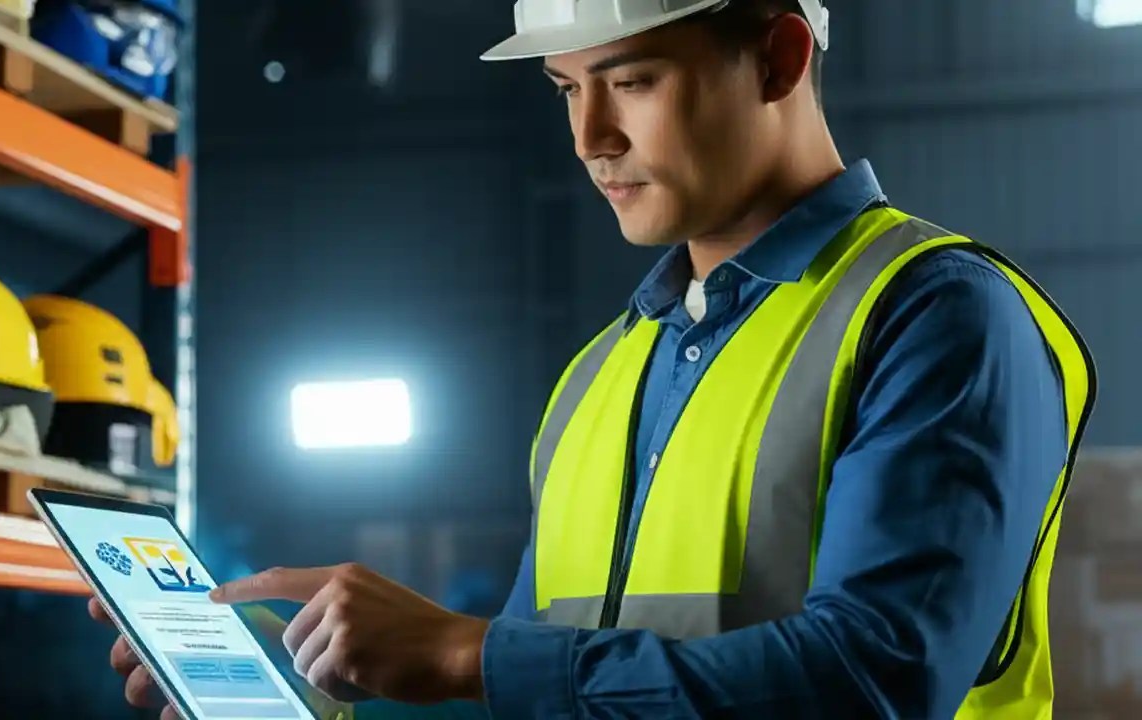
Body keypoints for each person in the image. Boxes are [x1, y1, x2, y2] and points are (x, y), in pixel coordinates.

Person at [92, 0, 1096, 717]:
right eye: (566, 87)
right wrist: (318, 686)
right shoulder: (598, 375)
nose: (588, 135)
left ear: (779, 57)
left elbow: (878, 679)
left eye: (631, 80)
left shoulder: (933, 314)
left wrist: (455, 648)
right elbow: (546, 686)